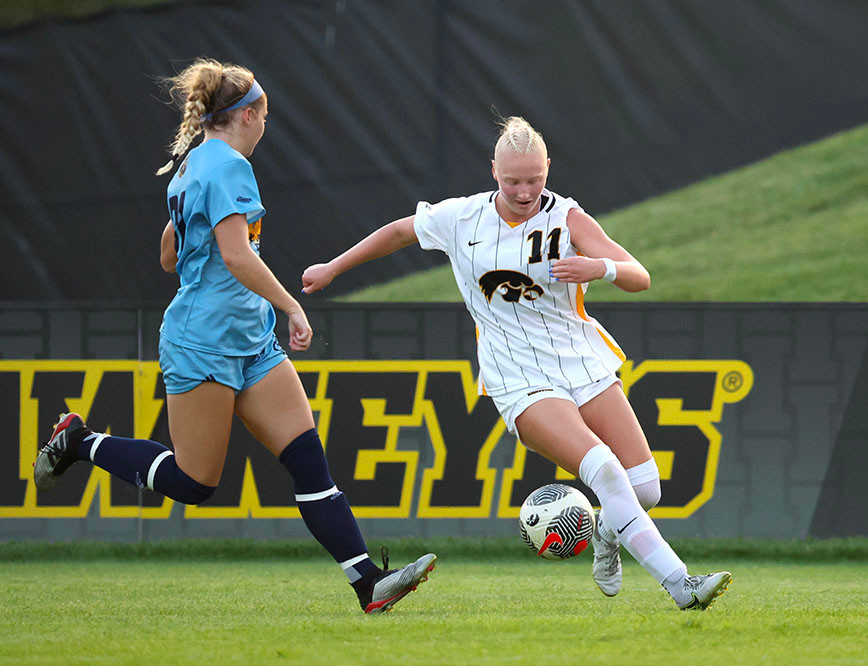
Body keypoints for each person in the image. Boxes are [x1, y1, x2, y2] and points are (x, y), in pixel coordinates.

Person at [33, 58, 434, 615]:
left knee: (308, 463)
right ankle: (80, 443)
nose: (266, 123)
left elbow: (169, 256)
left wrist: (208, 255)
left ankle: (368, 583)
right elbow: (235, 254)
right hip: (203, 344)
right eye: (264, 113)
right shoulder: (227, 169)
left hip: (248, 342)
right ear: (248, 115)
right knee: (196, 482)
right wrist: (290, 305)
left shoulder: (194, 164)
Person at [301, 116, 731, 610]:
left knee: (645, 489)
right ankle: (682, 585)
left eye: (535, 179)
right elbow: (399, 232)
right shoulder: (461, 218)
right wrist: (334, 267)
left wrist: (601, 268)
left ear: (549, 168)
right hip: (519, 378)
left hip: (581, 362)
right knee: (608, 474)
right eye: (512, 181)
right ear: (493, 172)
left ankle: (606, 538)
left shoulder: (568, 218)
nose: (525, 191)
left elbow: (640, 276)